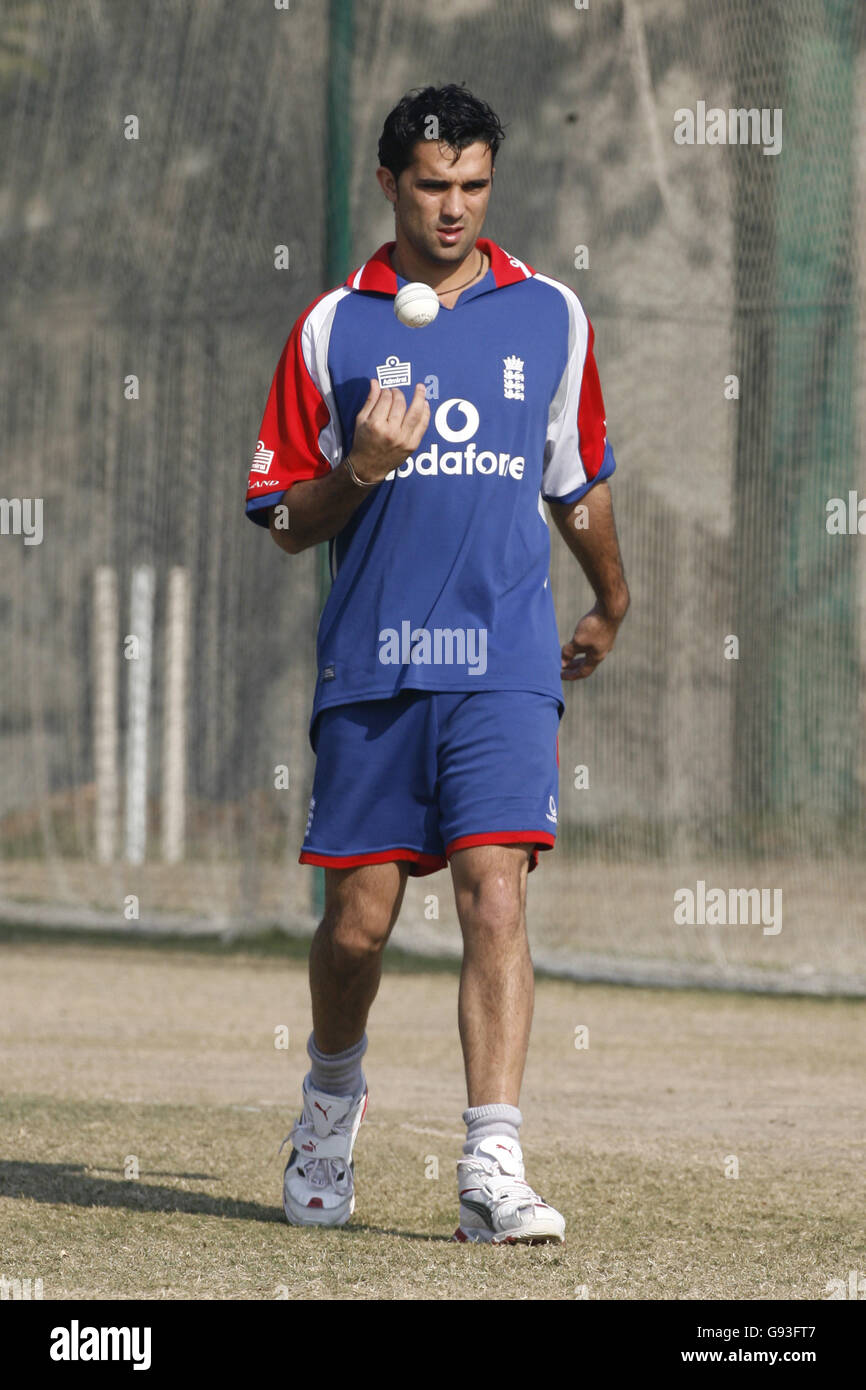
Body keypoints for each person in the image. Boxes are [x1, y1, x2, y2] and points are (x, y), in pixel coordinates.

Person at [244, 83, 629, 1245]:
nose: (452, 207)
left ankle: (490, 1164)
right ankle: (327, 1106)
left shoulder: (550, 315)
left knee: (493, 893)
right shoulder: (330, 327)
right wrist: (356, 467)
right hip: (371, 666)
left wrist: (612, 600)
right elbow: (280, 520)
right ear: (387, 183)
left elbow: (579, 480)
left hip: (503, 663)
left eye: (472, 184)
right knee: (357, 925)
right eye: (429, 185)